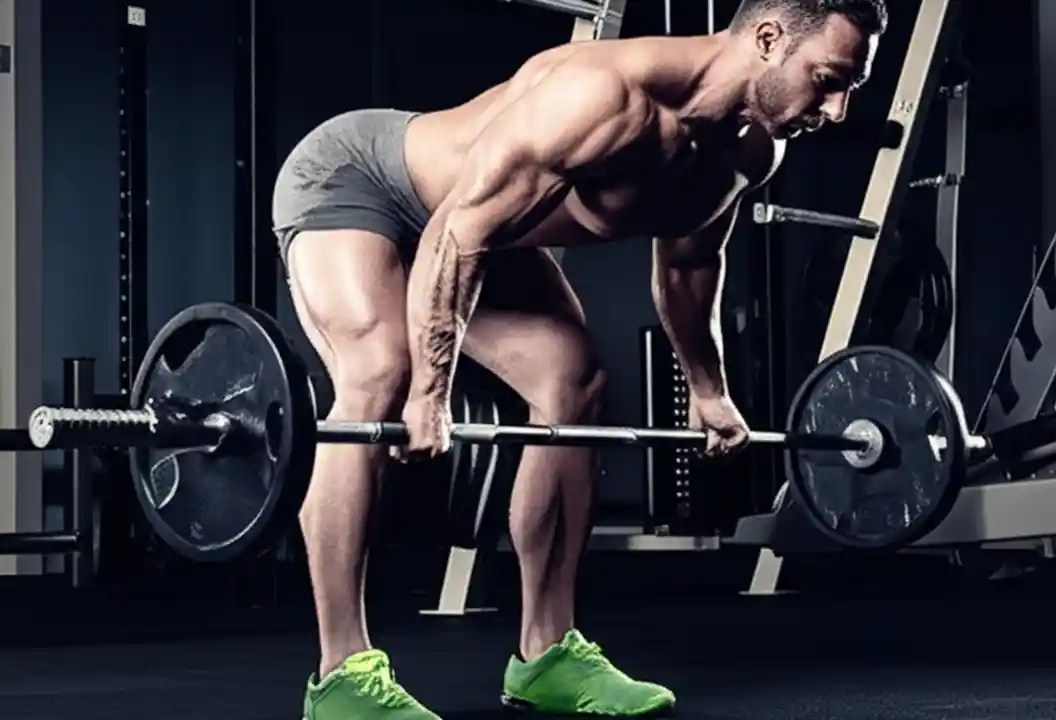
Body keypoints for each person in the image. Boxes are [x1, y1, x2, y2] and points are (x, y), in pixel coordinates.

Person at [272, 0, 886, 717]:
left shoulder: (750, 151)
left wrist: (707, 388)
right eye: (828, 80)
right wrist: (431, 389)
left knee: (575, 381)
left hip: (475, 230)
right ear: (770, 38)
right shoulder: (602, 95)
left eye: (849, 89)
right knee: (380, 375)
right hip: (364, 182)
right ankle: (341, 675)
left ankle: (547, 653)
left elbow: (689, 269)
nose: (837, 110)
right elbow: (457, 233)